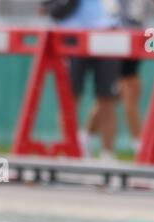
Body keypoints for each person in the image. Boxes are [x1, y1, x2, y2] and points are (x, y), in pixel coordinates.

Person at [43, 0, 121, 161]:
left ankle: (107, 155)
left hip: (105, 34)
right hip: (73, 36)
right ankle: (70, 149)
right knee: (71, 98)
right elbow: (47, 9)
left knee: (107, 98)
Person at [108, 0, 154, 147]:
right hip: (123, 34)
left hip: (136, 34)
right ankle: (138, 142)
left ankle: (86, 135)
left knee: (115, 93)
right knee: (129, 88)